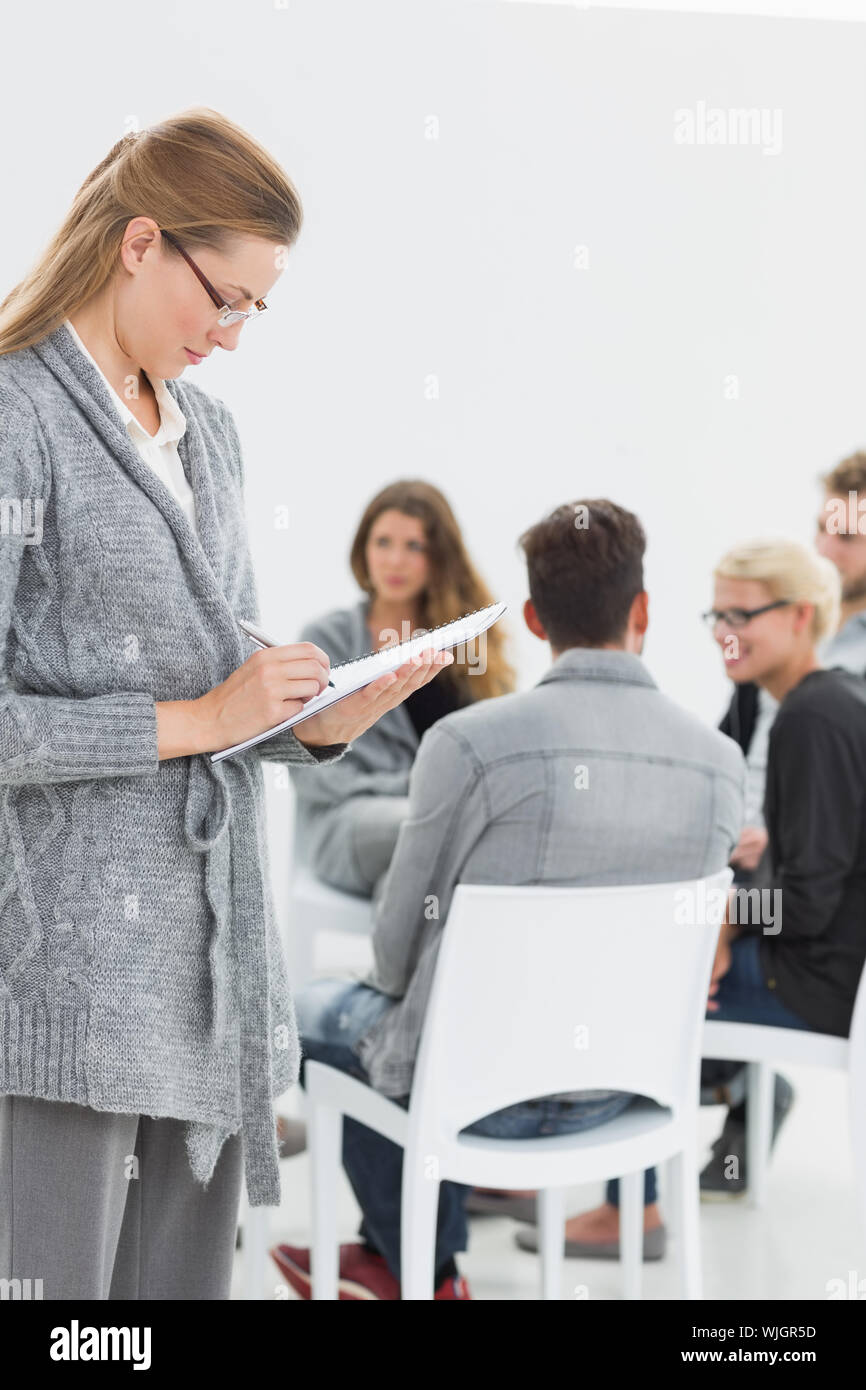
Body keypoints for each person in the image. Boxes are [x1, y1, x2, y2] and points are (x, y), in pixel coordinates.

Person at [0, 107, 453, 1301]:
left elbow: (221, 679)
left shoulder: (211, 437)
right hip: (66, 977)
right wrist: (196, 721)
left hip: (208, 970)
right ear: (141, 242)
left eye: (260, 308)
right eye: (227, 298)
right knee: (66, 1312)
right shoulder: (16, 416)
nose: (237, 336)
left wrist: (313, 721)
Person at [269, 498, 745, 1299]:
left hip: (477, 1095)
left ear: (530, 616)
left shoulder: (470, 745)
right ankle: (400, 1258)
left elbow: (391, 961)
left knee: (313, 1015)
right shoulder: (719, 762)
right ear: (644, 610)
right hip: (626, 1095)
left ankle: (422, 1264)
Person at [563, 535, 863, 1243]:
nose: (725, 634)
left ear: (801, 616)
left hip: (816, 984)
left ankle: (632, 1211)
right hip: (824, 969)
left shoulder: (810, 718)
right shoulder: (816, 701)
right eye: (716, 617)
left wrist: (722, 925)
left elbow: (809, 904)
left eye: (743, 615)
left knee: (633, 992)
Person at [289, 480, 516, 901]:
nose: (395, 560)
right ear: (363, 549)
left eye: (414, 546)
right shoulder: (328, 640)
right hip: (348, 822)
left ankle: (408, 967)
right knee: (425, 829)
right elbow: (313, 776)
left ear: (439, 557)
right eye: (383, 542)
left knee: (437, 854)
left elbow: (494, 752)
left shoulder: (466, 643)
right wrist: (422, 791)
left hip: (439, 815)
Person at [722, 450, 866, 889]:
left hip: (803, 884)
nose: (825, 550)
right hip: (727, 862)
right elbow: (730, 745)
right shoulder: (785, 630)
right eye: (822, 528)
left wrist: (784, 840)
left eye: (846, 535)